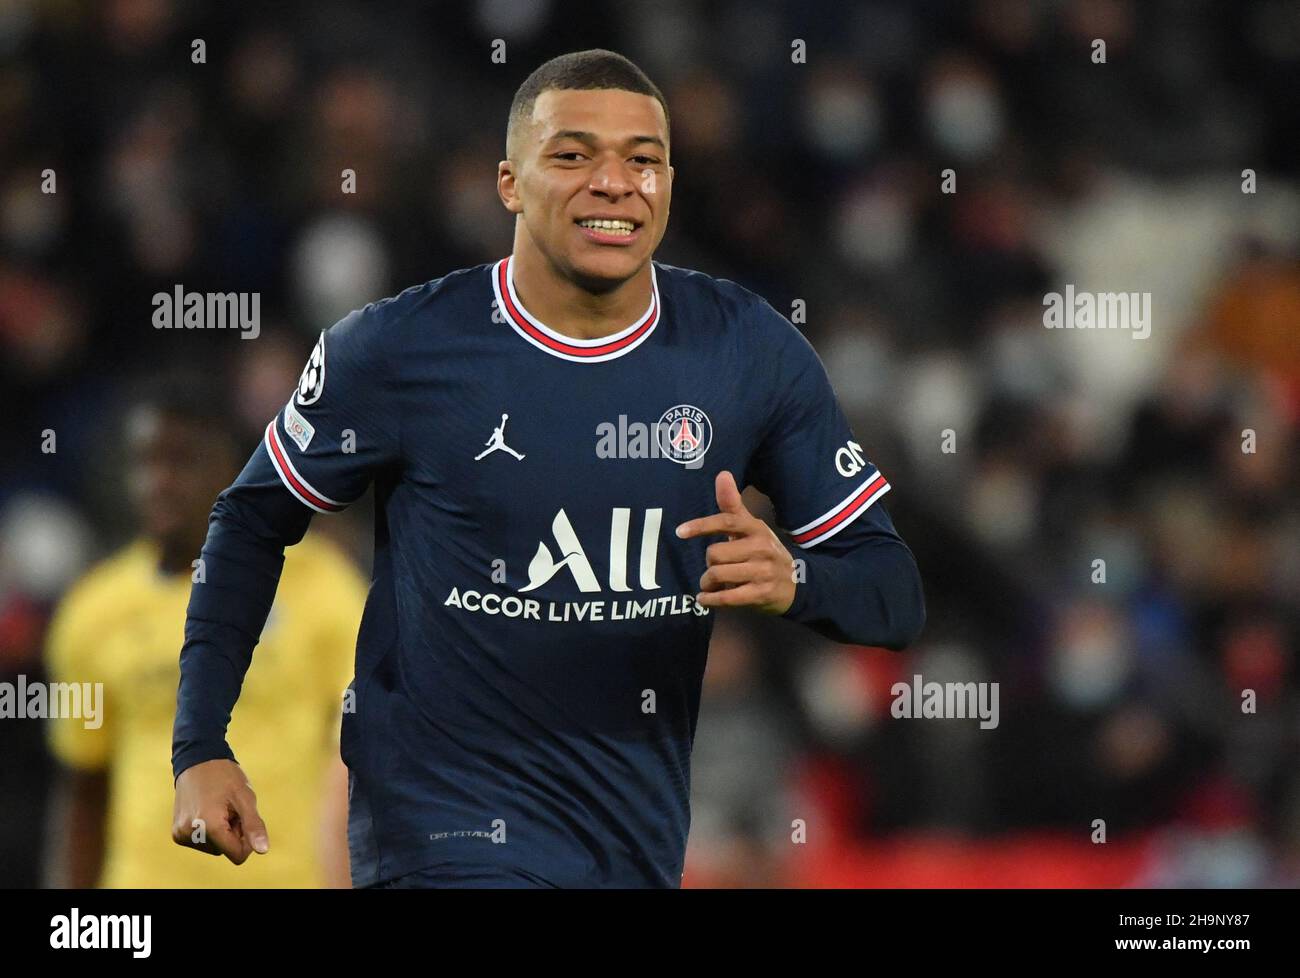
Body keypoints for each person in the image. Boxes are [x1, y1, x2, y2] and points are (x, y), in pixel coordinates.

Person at [171, 49, 925, 888]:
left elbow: (892, 592)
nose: (613, 182)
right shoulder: (399, 350)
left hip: (631, 845)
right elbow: (248, 520)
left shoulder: (747, 354)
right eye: (572, 156)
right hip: (440, 835)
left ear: (669, 185)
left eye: (643, 160)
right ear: (508, 183)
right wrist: (200, 746)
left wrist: (797, 580)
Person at [45, 374, 364, 887]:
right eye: (146, 461)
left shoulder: (323, 589)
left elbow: (354, 762)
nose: (160, 482)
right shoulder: (93, 611)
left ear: (234, 467)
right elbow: (85, 790)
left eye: (182, 460)